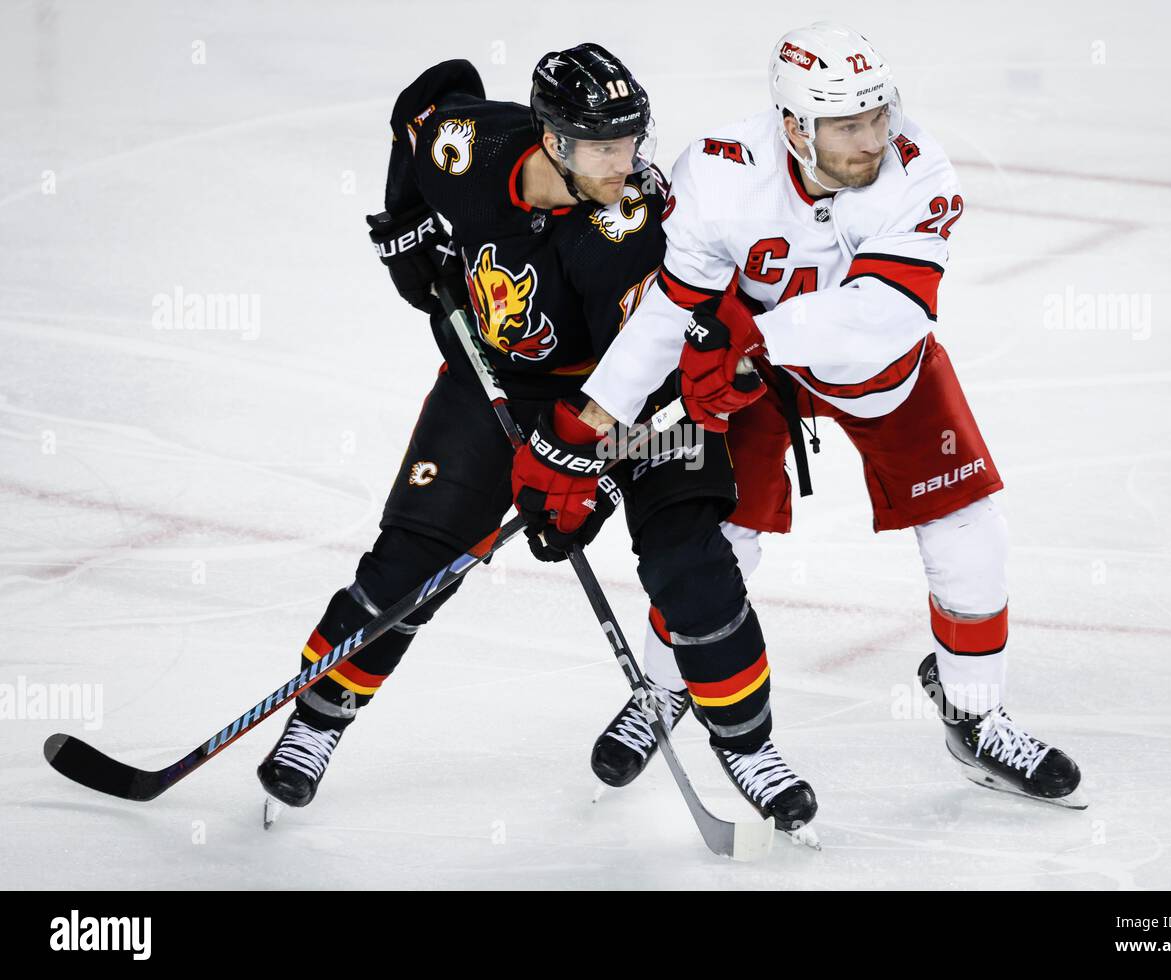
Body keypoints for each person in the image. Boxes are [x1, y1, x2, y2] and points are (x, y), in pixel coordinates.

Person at [257, 44, 816, 831]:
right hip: (498, 381)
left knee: (689, 558)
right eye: (603, 145)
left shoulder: (630, 226)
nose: (627, 162)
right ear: (550, 138)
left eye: (632, 138)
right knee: (414, 559)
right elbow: (425, 109)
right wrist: (405, 229)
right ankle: (315, 721)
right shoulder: (474, 146)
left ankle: (750, 747)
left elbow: (638, 366)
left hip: (636, 397)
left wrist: (577, 470)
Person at [526, 22, 1084, 808]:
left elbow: (890, 310)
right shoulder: (721, 171)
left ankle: (975, 711)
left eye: (878, 116)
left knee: (970, 529)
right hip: (750, 377)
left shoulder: (920, 171)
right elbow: (665, 311)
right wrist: (591, 422)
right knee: (721, 543)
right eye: (847, 126)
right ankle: (666, 689)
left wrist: (754, 336)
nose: (872, 140)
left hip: (875, 369)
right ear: (793, 125)